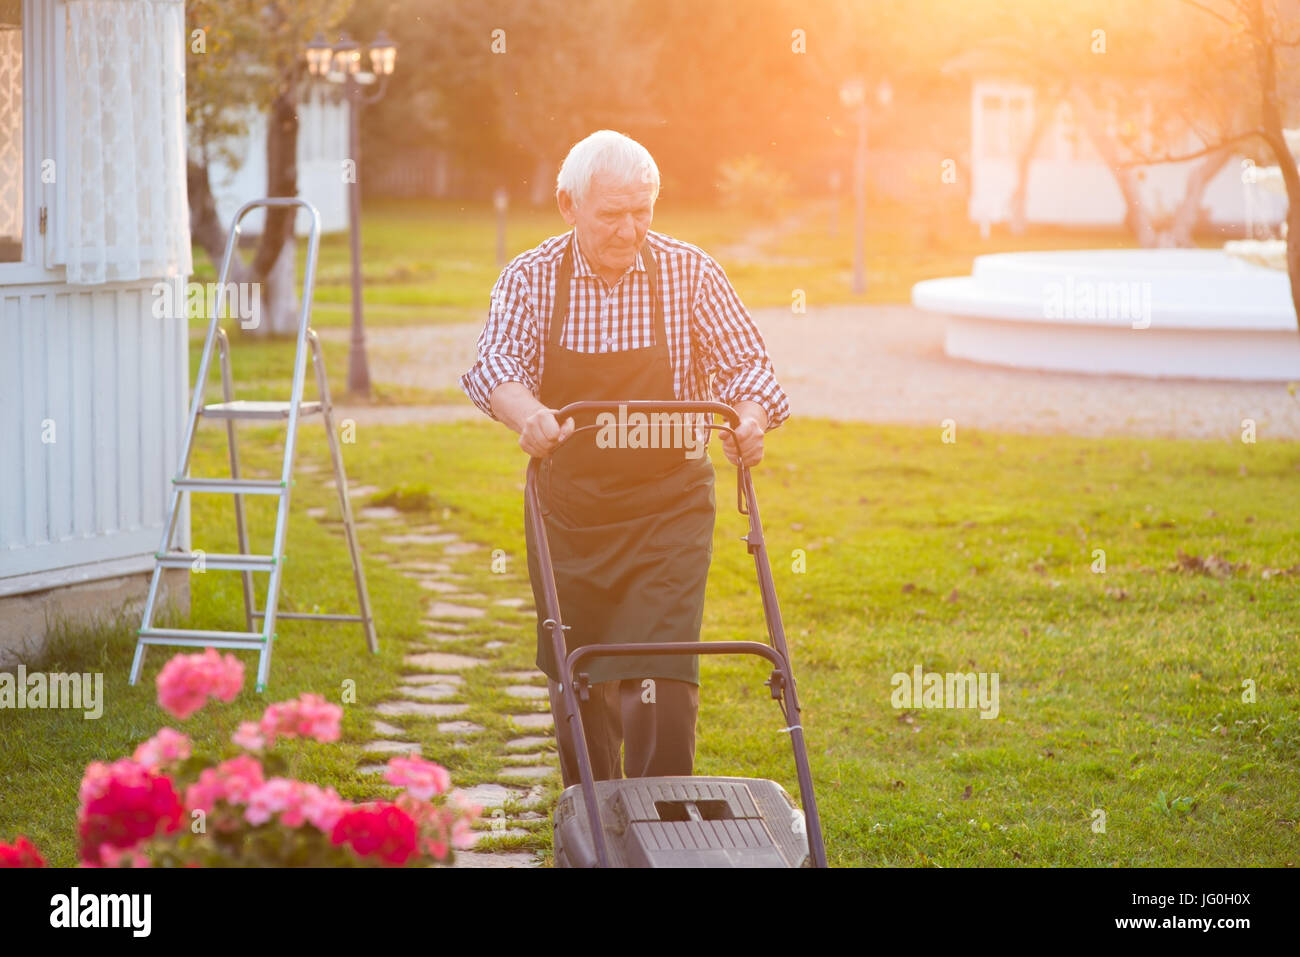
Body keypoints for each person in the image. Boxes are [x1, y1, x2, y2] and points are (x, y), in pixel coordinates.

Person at [459, 129, 789, 787]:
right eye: (611, 213)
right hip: (571, 511)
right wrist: (530, 415)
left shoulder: (690, 272)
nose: (628, 229)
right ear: (567, 204)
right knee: (579, 671)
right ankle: (595, 819)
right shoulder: (529, 277)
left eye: (642, 211)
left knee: (662, 674)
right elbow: (495, 365)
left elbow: (748, 365)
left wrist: (749, 420)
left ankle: (660, 821)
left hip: (669, 504)